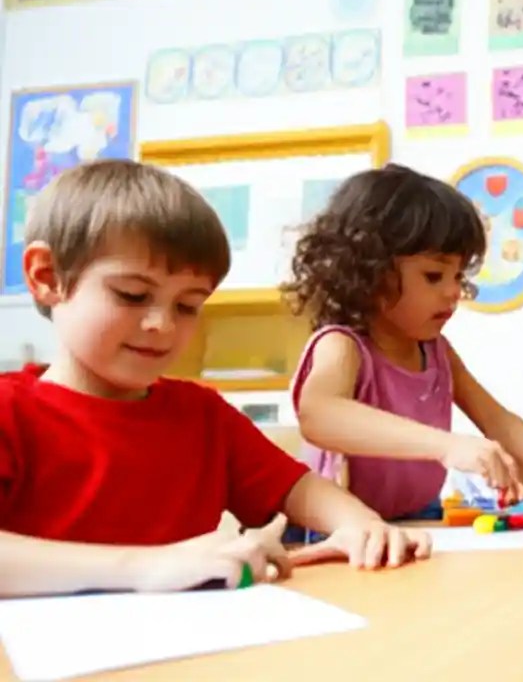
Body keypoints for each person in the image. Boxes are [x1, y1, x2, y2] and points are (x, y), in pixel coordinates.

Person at [0, 160, 430, 598]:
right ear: (47, 276)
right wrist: (143, 567)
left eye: (187, 306)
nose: (162, 325)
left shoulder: (202, 415)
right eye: (132, 295)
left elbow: (299, 488)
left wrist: (360, 524)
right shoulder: (11, 413)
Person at [284, 164, 523, 541]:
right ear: (369, 270)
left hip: (414, 520)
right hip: (338, 532)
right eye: (434, 276)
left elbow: (497, 420)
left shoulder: (435, 350)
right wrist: (447, 445)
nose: (453, 292)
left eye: (458, 276)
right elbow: (319, 414)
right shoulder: (342, 345)